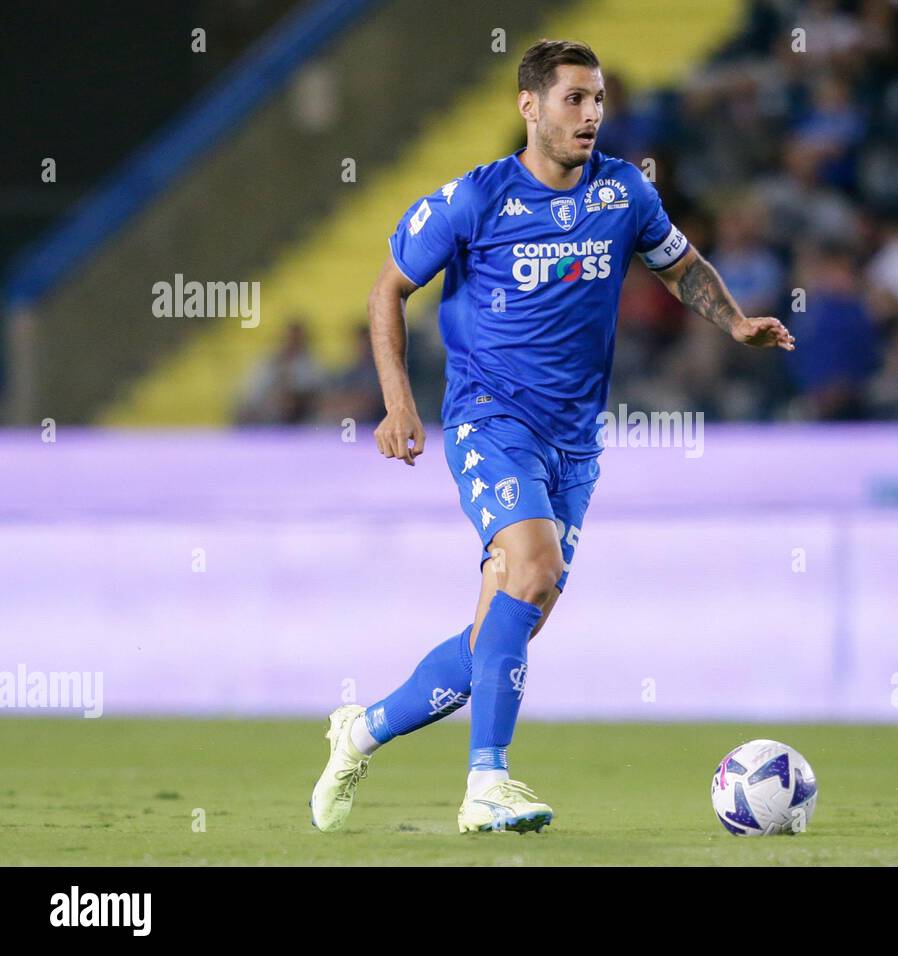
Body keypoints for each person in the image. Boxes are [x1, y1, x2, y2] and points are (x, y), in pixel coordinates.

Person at [309, 39, 795, 834]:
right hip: (490, 422)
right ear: (529, 106)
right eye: (574, 99)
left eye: (598, 99)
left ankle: (358, 732)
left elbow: (677, 265)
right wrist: (398, 405)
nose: (591, 115)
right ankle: (486, 783)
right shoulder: (475, 200)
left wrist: (734, 320)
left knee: (497, 634)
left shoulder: (625, 193)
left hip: (576, 444)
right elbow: (386, 291)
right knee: (534, 570)